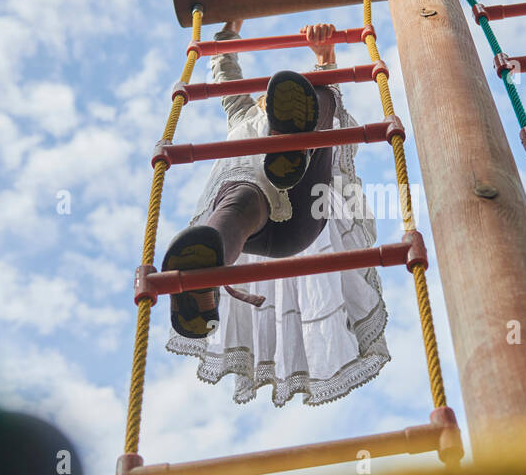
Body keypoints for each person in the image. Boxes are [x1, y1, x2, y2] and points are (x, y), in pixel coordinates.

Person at [163, 21, 389, 406]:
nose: (269, 105)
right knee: (236, 198)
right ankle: (202, 283)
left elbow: (322, 90)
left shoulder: (308, 108)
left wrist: (324, 57)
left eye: (282, 106)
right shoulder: (242, 117)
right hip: (252, 218)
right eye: (274, 103)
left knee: (325, 96)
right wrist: (229, 30)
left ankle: (293, 147)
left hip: (300, 214)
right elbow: (224, 70)